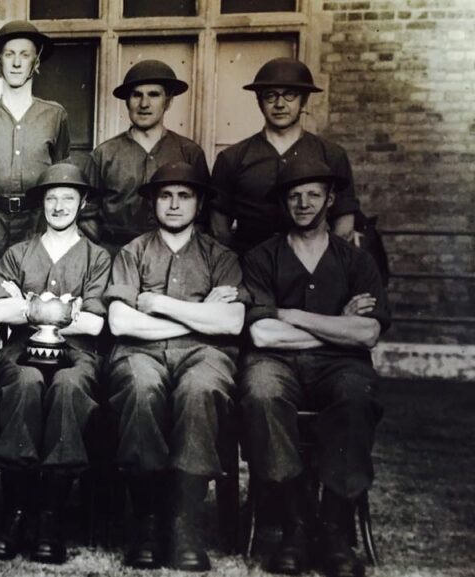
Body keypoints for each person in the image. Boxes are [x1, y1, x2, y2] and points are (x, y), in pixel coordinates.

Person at [240, 158, 390, 577]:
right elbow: (263, 336)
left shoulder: (356, 260)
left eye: (313, 194)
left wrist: (290, 314)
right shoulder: (261, 258)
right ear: (283, 203)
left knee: (356, 395)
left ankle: (336, 530)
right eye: (294, 195)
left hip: (340, 367)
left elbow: (367, 335)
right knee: (261, 393)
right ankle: (296, 526)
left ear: (330, 199)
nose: (303, 203)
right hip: (276, 362)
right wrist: (337, 322)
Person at [104, 162, 247, 571]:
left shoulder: (221, 257)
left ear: (199, 203)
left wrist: (160, 304)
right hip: (139, 353)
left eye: (184, 195)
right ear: (153, 203)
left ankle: (185, 523)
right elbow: (120, 321)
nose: (174, 204)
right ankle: (148, 519)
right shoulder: (133, 253)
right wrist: (199, 313)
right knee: (140, 386)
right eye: (165, 195)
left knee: (200, 389)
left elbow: (232, 322)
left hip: (204, 356)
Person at [0, 163, 111, 564]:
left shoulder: (97, 257)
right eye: (51, 197)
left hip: (79, 355)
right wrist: (59, 309)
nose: (58, 205)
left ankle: (50, 515)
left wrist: (29, 304)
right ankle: (16, 512)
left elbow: (95, 321)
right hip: (20, 351)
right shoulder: (18, 252)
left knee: (70, 387)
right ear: (42, 203)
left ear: (82, 202)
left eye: (67, 198)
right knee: (25, 382)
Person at [210, 57, 359, 255]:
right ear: (259, 102)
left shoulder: (331, 154)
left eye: (290, 95)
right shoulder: (232, 158)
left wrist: (321, 267)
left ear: (304, 100)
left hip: (312, 268)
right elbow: (219, 228)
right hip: (250, 268)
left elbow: (344, 224)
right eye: (270, 96)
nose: (280, 104)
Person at [0, 20, 70, 263]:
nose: (17, 63)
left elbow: (61, 173)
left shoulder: (55, 116)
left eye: (25, 55)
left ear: (36, 60)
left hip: (37, 223)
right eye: (9, 55)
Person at [80, 59, 210, 255]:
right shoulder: (104, 154)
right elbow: (86, 215)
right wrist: (106, 251)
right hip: (116, 254)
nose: (144, 104)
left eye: (154, 95)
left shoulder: (189, 152)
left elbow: (204, 216)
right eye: (136, 95)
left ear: (169, 101)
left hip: (174, 255)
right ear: (127, 101)